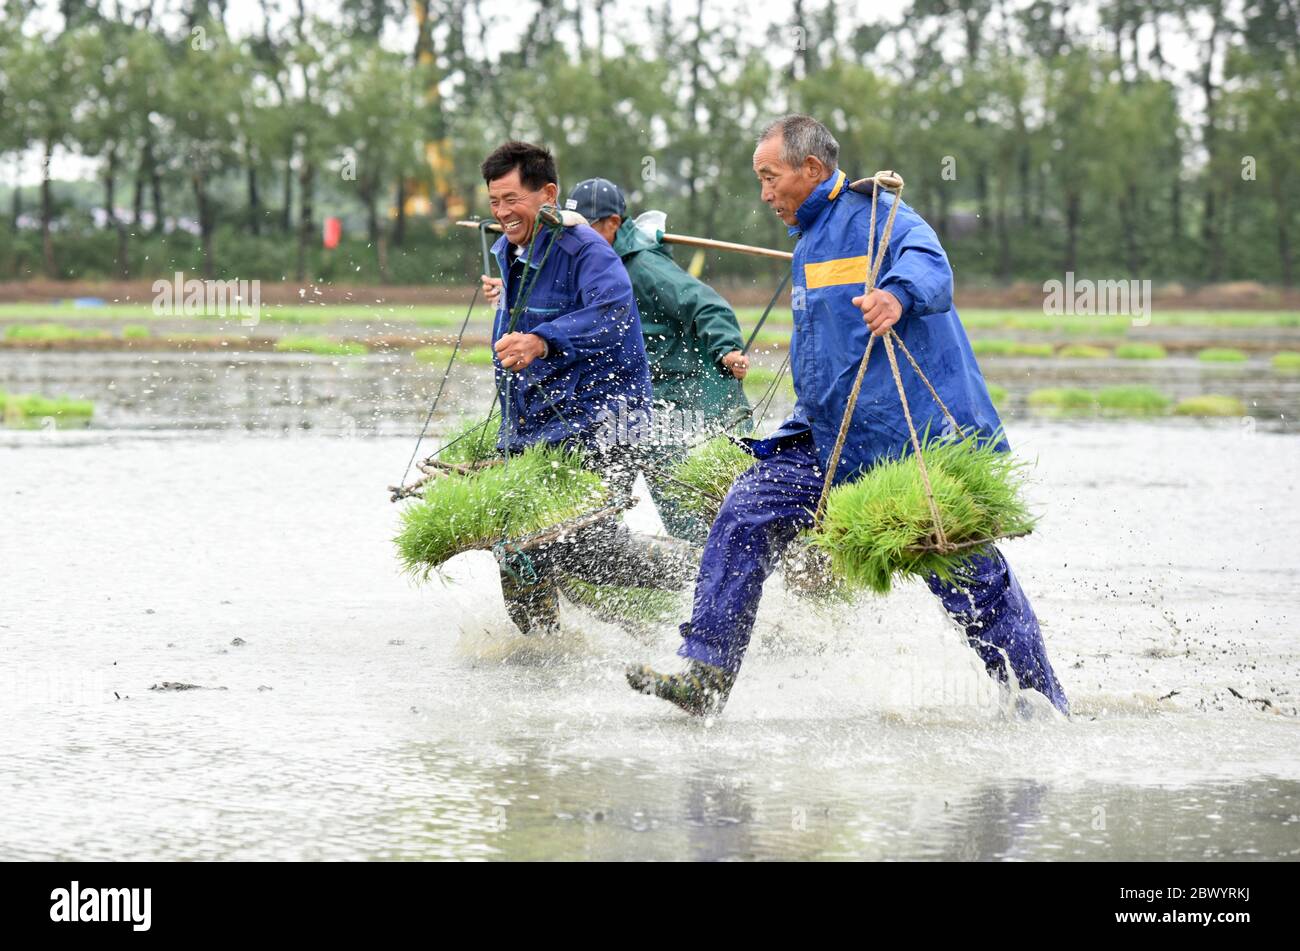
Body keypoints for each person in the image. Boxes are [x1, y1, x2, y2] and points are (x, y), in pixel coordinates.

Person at [625, 114, 1070, 718]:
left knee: (965, 574)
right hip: (828, 440)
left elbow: (930, 261)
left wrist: (896, 294)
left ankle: (1039, 699)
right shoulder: (807, 238)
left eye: (769, 177)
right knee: (745, 511)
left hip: (908, 439)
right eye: (759, 179)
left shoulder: (876, 215)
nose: (764, 193)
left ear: (811, 169)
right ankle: (706, 671)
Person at [477, 141, 693, 635]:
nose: (502, 212)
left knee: (578, 542)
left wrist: (541, 341)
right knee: (514, 545)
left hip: (604, 421)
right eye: (494, 201)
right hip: (536, 424)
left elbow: (613, 317)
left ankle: (705, 571)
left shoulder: (586, 250)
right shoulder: (510, 251)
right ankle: (540, 648)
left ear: (547, 193)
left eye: (512, 199)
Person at [486, 178, 752, 543]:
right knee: (592, 503)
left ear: (613, 223)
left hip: (678, 391)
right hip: (633, 391)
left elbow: (705, 304)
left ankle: (701, 564)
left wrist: (727, 348)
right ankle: (602, 562)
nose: (580, 236)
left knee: (676, 494)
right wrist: (507, 289)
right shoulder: (581, 260)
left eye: (591, 226)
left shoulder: (642, 266)